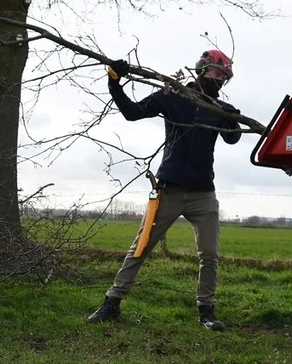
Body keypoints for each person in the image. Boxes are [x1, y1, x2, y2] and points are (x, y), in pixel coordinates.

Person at [87, 49, 242, 331]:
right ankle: (112, 302)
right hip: (169, 188)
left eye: (224, 77)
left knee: (209, 255)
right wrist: (114, 82)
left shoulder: (217, 108)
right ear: (201, 69)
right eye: (217, 73)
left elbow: (232, 140)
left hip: (203, 193)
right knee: (141, 246)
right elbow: (132, 113)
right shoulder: (172, 96)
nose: (220, 80)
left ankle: (206, 310)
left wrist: (231, 119)